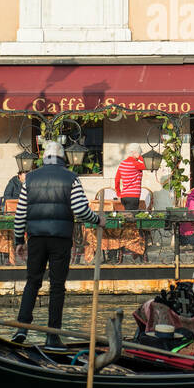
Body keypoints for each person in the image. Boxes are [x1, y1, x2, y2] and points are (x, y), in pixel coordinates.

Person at [12, 140, 101, 343]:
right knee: (57, 286)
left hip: (36, 239)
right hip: (60, 239)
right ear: (63, 158)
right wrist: (97, 220)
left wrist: (19, 239)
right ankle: (53, 336)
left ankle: (21, 329)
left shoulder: (30, 178)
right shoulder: (71, 177)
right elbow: (80, 209)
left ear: (44, 158)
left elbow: (20, 214)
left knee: (32, 282)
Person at [115, 144, 145, 209]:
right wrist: (139, 157)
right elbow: (147, 165)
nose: (140, 155)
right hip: (133, 196)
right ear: (135, 152)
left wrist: (118, 193)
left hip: (124, 196)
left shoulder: (122, 164)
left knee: (128, 216)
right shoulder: (136, 164)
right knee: (131, 217)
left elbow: (117, 180)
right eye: (139, 153)